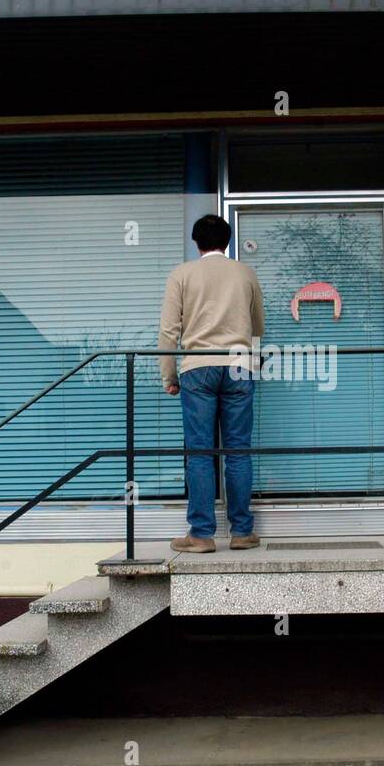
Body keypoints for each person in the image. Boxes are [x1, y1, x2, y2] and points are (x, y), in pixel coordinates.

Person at [159, 214, 265, 552]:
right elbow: (258, 326)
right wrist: (254, 364)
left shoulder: (182, 274)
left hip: (198, 367)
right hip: (238, 365)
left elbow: (168, 332)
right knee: (238, 450)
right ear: (228, 241)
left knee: (200, 452)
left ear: (196, 242)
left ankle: (202, 535)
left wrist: (169, 374)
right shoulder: (246, 274)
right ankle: (242, 532)